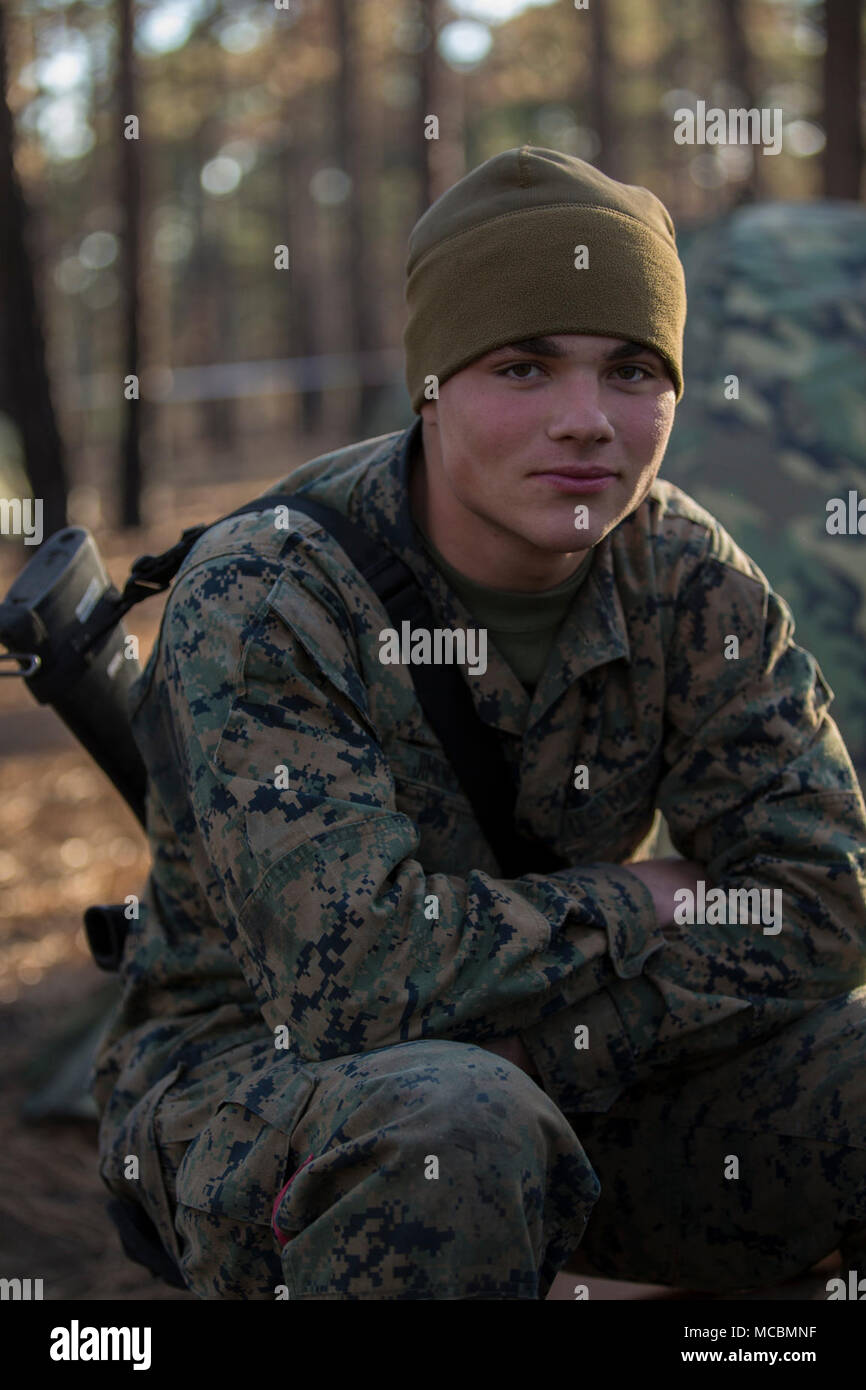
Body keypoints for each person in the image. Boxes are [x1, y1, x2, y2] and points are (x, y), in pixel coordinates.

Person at [91, 146, 866, 1301]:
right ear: (431, 385)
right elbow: (353, 985)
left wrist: (545, 1046)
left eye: (631, 370)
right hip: (261, 1093)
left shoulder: (683, 572)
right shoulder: (271, 592)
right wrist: (637, 896)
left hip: (580, 1076)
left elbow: (821, 901)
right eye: (522, 367)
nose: (586, 422)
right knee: (460, 1127)